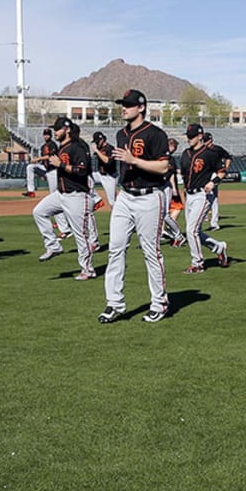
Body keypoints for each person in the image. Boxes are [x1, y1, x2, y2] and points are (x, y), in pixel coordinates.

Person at [100, 89, 174, 323]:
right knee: (115, 249)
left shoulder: (156, 134)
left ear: (141, 107)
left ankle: (160, 303)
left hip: (150, 196)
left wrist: (135, 161)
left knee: (151, 252)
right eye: (123, 104)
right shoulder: (121, 134)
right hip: (126, 196)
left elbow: (164, 168)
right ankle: (115, 303)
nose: (124, 108)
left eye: (129, 105)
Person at [33, 117, 98, 280]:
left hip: (77, 195)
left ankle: (88, 269)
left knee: (80, 235)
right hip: (61, 194)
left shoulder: (77, 147)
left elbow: (82, 171)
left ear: (67, 129)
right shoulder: (62, 147)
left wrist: (60, 165)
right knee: (39, 212)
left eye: (58, 129)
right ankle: (53, 246)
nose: (55, 132)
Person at [180, 128, 231, 273]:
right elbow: (184, 175)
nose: (189, 138)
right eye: (188, 136)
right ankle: (219, 247)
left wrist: (213, 182)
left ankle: (197, 264)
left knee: (191, 230)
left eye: (192, 136)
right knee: (195, 232)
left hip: (202, 195)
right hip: (189, 195)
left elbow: (222, 172)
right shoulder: (186, 154)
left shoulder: (209, 154)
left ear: (200, 136)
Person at [205, 133, 231, 230]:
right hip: (207, 174)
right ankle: (209, 218)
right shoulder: (204, 149)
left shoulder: (217, 149)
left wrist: (226, 168)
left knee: (212, 197)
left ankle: (214, 222)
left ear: (210, 140)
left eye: (206, 140)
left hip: (215, 174)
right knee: (208, 196)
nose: (205, 142)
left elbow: (228, 157)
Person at [92, 131, 119, 206]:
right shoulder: (100, 148)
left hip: (109, 177)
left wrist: (97, 151)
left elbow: (107, 161)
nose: (97, 143)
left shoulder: (110, 148)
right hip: (100, 174)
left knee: (112, 203)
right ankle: (97, 199)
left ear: (102, 139)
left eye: (98, 141)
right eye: (96, 142)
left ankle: (117, 216)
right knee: (86, 177)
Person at [24, 129, 54, 197]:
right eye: (45, 135)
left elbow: (51, 156)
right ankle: (31, 191)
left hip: (52, 169)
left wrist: (38, 158)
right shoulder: (43, 146)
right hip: (44, 167)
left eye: (48, 135)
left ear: (51, 136)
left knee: (53, 192)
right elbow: (42, 159)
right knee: (30, 167)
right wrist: (36, 160)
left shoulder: (53, 145)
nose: (46, 136)